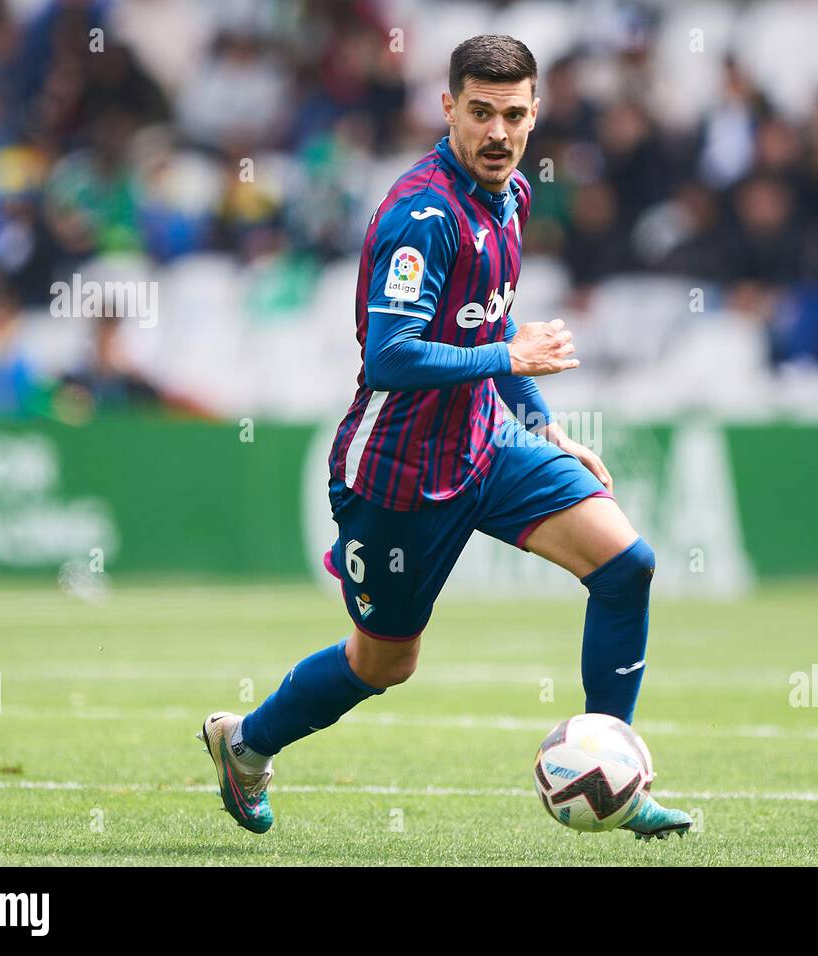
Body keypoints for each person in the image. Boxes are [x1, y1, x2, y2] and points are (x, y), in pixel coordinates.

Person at [198, 35, 690, 841]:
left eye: (516, 115)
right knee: (384, 662)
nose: (499, 133)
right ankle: (245, 744)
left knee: (625, 563)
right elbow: (391, 355)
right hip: (396, 475)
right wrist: (511, 356)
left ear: (535, 115)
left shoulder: (514, 197)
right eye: (482, 113)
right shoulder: (419, 217)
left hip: (487, 444)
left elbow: (482, 324)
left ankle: (613, 768)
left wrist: (542, 426)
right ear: (448, 108)